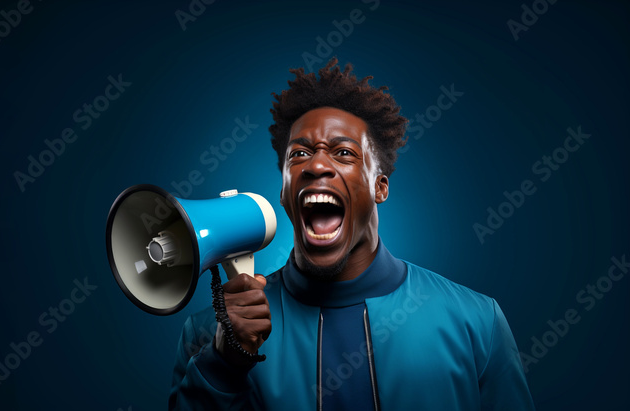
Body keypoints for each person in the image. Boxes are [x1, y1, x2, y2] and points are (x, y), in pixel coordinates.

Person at [169, 58, 534, 411]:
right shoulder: (208, 335)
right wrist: (223, 364)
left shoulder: (476, 323)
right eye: (299, 155)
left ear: (380, 187)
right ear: (283, 192)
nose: (317, 165)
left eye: (343, 152)